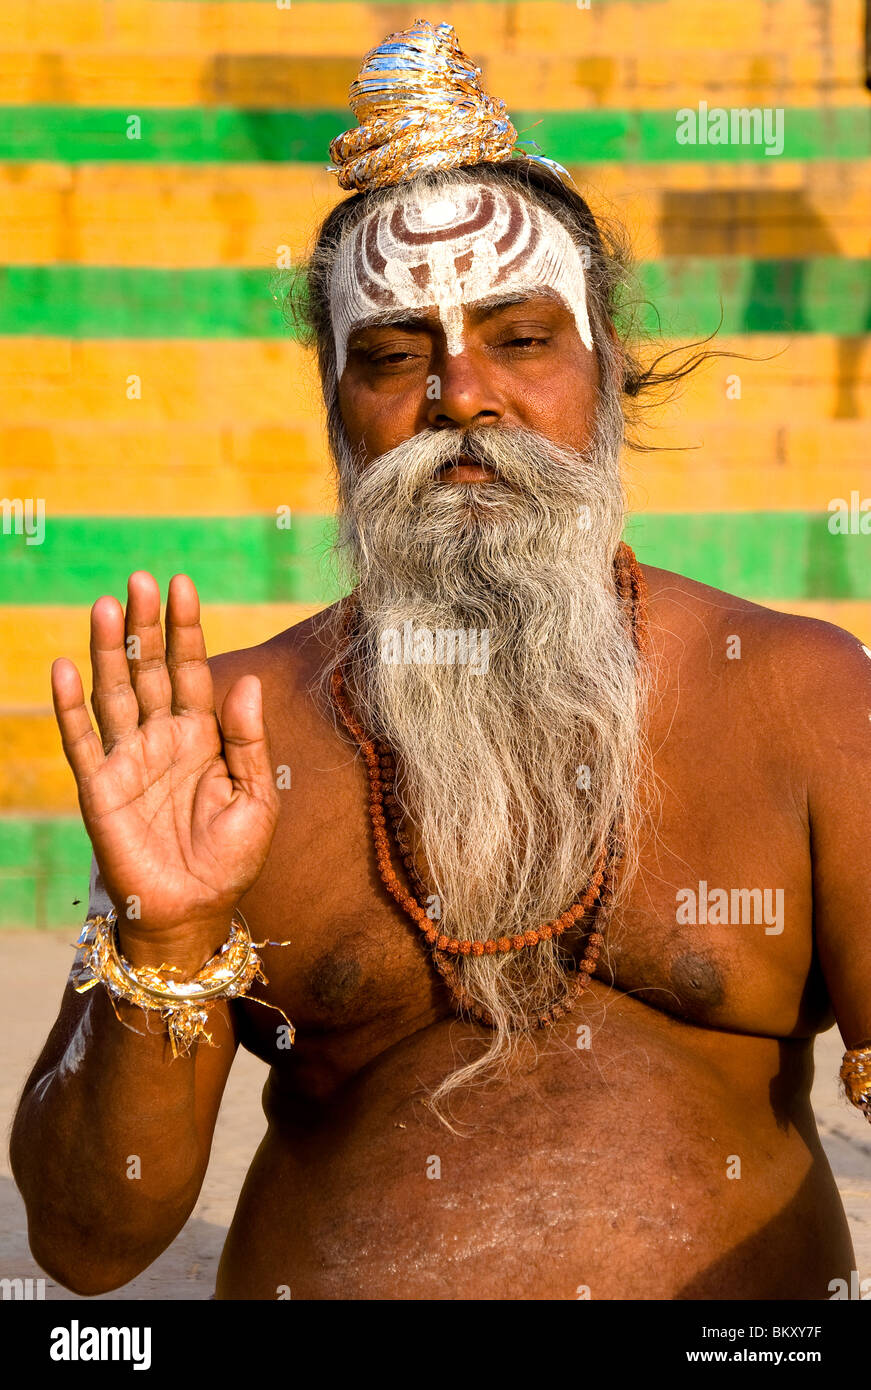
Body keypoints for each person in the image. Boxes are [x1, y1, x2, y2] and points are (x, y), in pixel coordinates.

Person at [11, 20, 871, 1301]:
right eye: (396, 354)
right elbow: (89, 1246)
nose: (460, 392)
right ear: (336, 411)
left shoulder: (801, 691)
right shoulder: (240, 743)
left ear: (606, 381)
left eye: (521, 339)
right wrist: (167, 934)